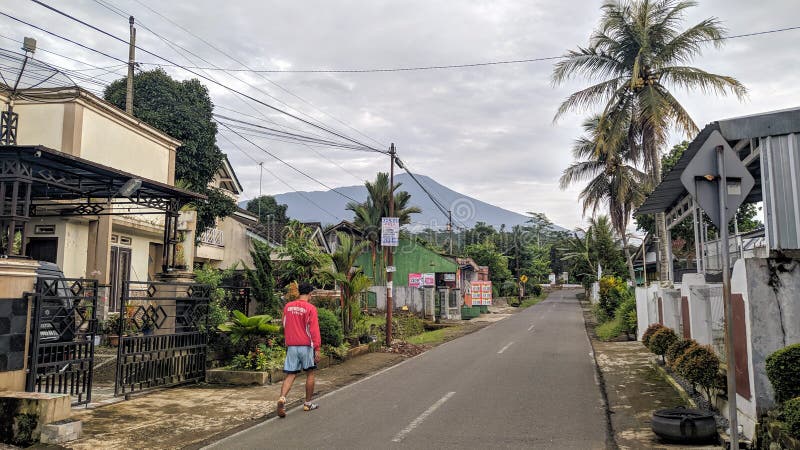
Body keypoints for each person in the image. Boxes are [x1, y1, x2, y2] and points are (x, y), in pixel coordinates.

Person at [277, 282, 321, 418]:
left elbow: (284, 324)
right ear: (310, 294)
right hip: (306, 346)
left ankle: (282, 399)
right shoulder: (311, 308)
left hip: (291, 346)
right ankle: (308, 403)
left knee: (290, 375)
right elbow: (313, 330)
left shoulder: (288, 307)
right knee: (310, 373)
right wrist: (317, 348)